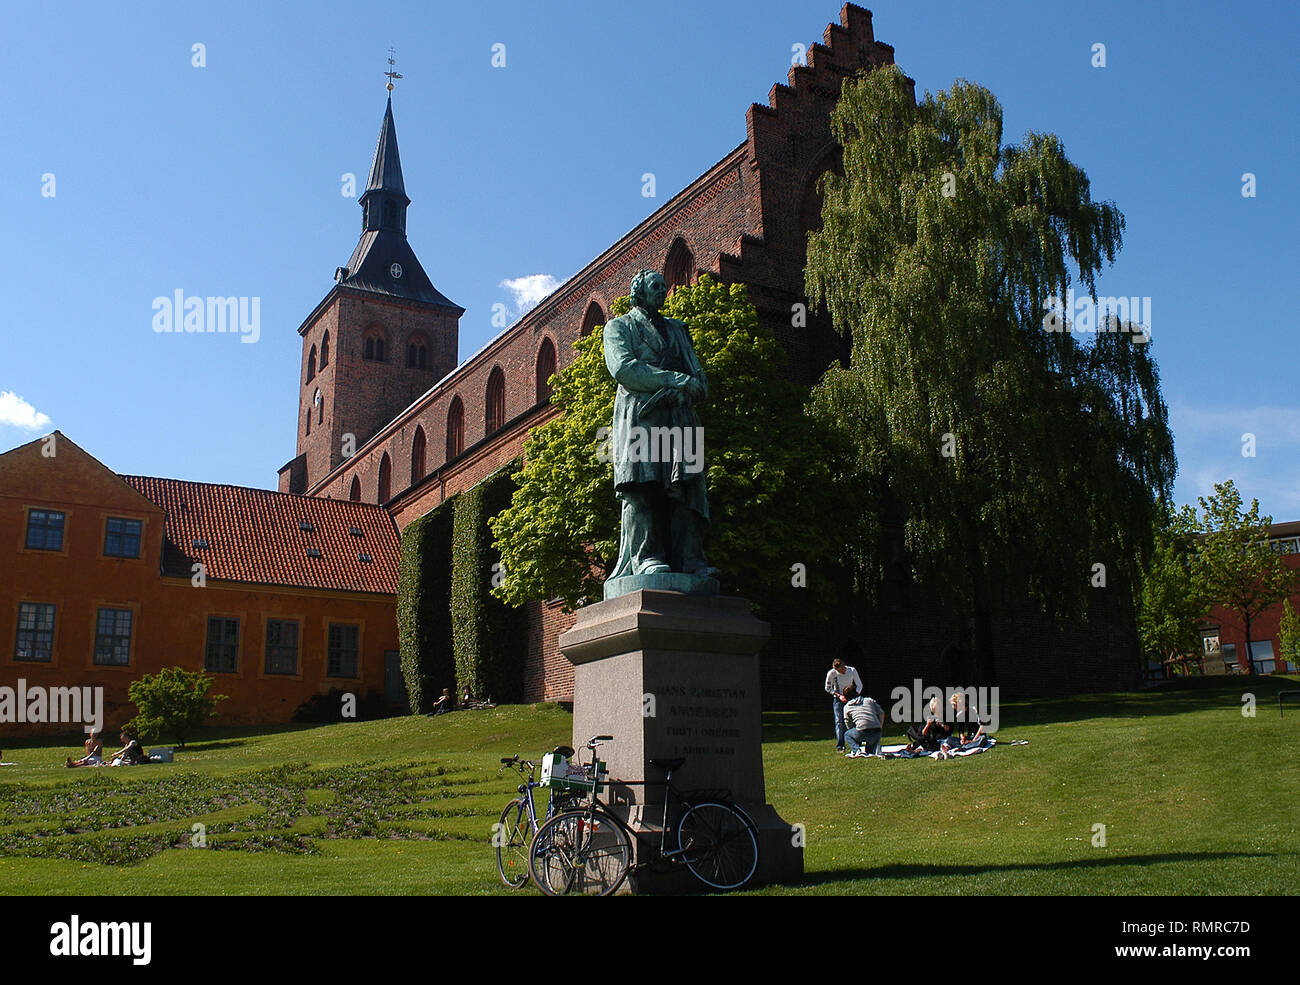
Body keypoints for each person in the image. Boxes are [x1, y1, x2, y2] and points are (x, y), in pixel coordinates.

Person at [824, 656, 863, 751]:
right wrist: (838, 695)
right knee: (839, 722)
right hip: (838, 699)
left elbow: (859, 685)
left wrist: (853, 695)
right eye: (839, 670)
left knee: (854, 720)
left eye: (842, 669)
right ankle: (840, 745)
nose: (842, 671)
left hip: (851, 697)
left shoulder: (852, 670)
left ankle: (857, 742)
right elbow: (828, 687)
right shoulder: (832, 673)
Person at [842, 685, 885, 758]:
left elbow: (848, 723)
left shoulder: (847, 707)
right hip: (877, 731)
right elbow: (881, 713)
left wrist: (855, 732)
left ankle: (856, 750)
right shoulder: (869, 700)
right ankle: (870, 752)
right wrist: (880, 726)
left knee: (847, 734)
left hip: (862, 731)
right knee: (870, 752)